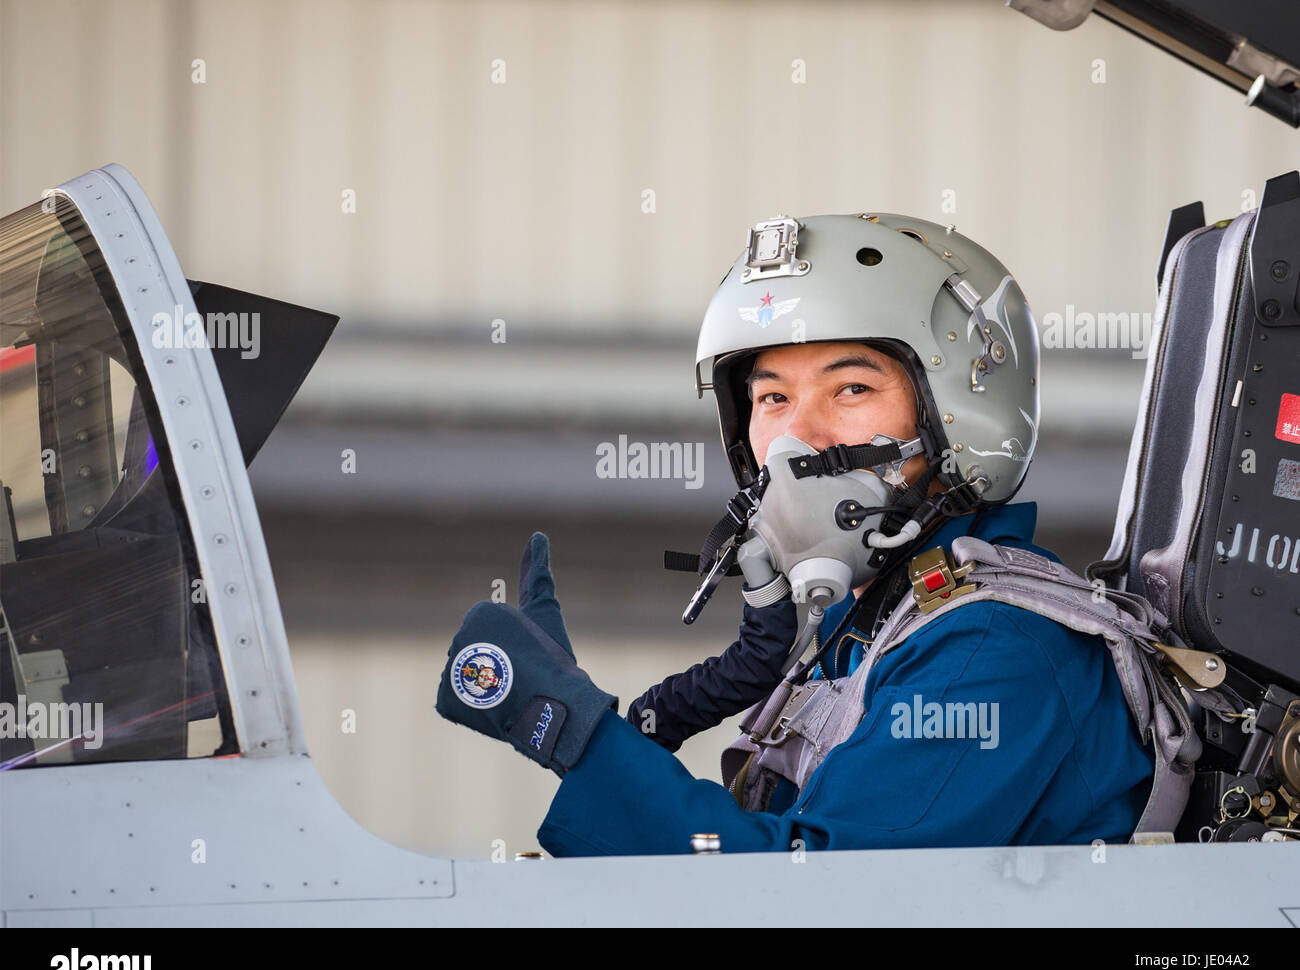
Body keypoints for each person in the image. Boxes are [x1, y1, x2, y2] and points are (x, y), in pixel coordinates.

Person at [435, 213, 1156, 855]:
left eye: (850, 389)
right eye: (772, 397)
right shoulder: (874, 625)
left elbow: (806, 899)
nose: (795, 439)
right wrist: (613, 728)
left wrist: (573, 731)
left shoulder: (994, 647)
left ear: (960, 416)